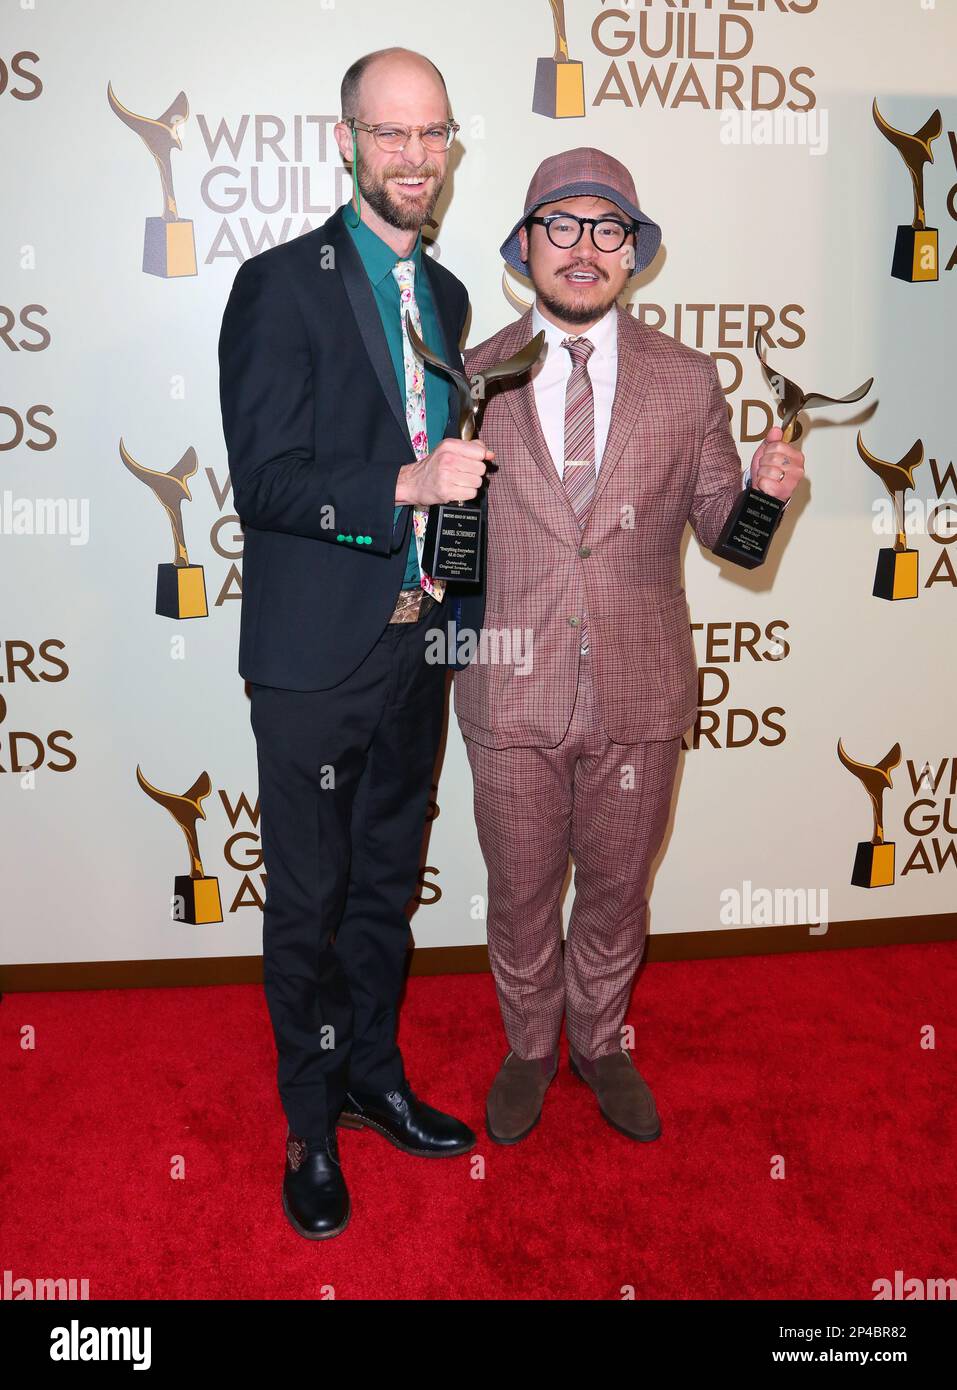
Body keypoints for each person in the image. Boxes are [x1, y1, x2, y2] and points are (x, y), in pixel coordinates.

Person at [455, 148, 805, 1146]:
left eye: (607, 229)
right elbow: (453, 545)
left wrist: (766, 498)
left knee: (616, 887)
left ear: (634, 254)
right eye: (560, 225)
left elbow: (723, 539)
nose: (583, 247)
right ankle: (529, 1048)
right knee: (521, 891)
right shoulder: (474, 372)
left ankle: (602, 1041)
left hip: (640, 691)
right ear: (525, 249)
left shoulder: (688, 380)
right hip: (509, 694)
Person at [218, 47, 491, 1240]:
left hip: (415, 646)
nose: (414, 158)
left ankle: (372, 1077)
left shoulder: (450, 299)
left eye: (433, 135)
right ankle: (308, 1123)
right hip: (313, 658)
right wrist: (406, 480)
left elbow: (458, 477)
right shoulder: (280, 286)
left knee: (384, 888)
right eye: (391, 135)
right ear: (345, 142)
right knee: (309, 901)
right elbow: (267, 482)